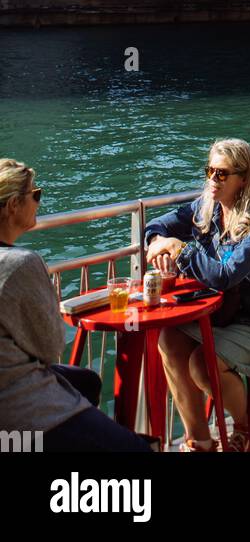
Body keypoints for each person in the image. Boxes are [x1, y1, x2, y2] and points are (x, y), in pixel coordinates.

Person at [144, 138, 250, 452]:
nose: (211, 180)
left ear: (242, 179)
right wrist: (157, 240)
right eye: (209, 171)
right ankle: (201, 441)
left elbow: (227, 275)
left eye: (221, 174)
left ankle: (247, 423)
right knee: (169, 340)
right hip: (232, 312)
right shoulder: (207, 205)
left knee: (203, 363)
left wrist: (180, 249)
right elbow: (158, 223)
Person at [0, 158, 153, 452]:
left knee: (87, 382)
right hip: (16, 403)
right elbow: (49, 347)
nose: (38, 202)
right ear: (13, 206)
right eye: (35, 194)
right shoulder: (20, 264)